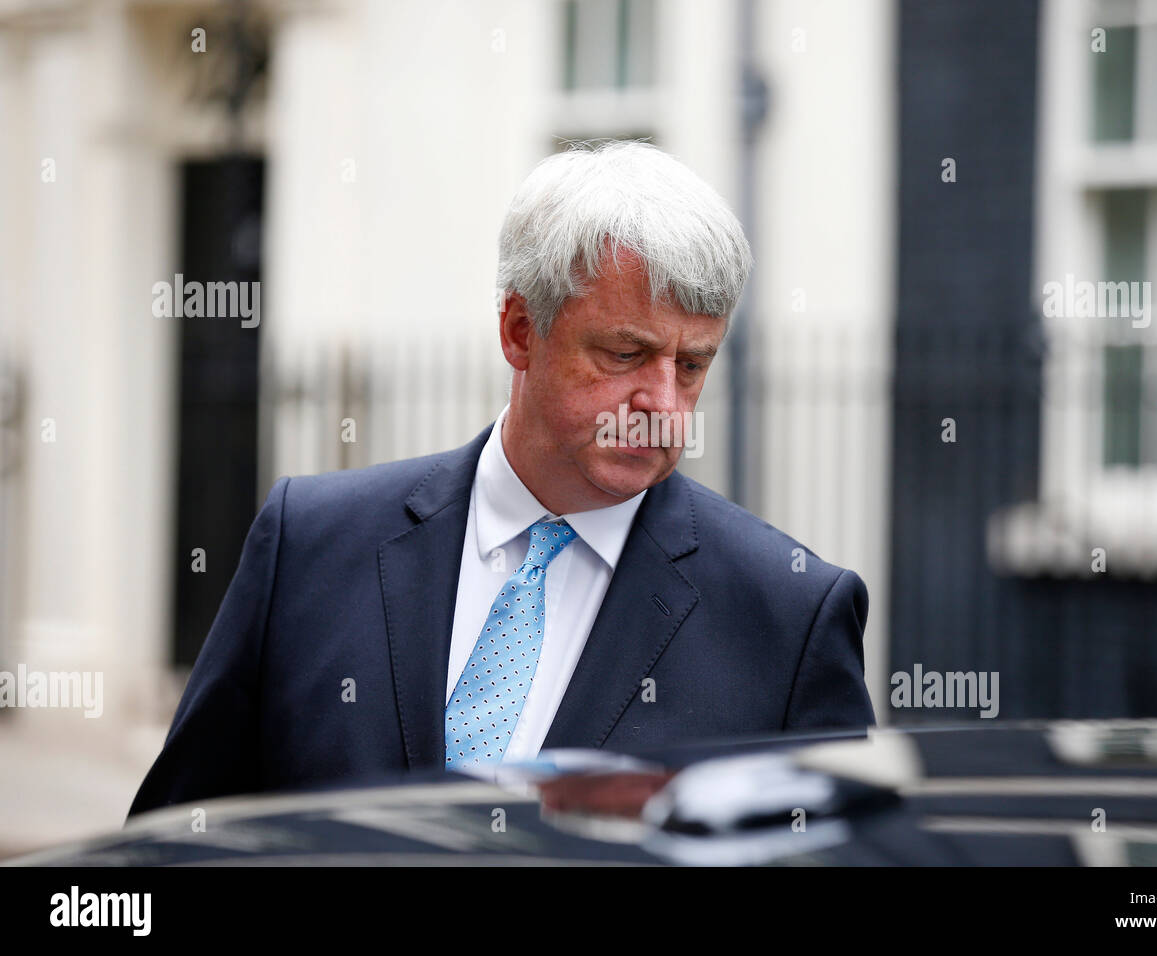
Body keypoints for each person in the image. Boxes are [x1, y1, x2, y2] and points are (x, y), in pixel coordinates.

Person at [128, 140, 874, 817]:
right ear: (519, 330)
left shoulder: (790, 617)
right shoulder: (311, 542)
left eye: (692, 365)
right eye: (624, 354)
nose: (663, 405)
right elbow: (176, 837)